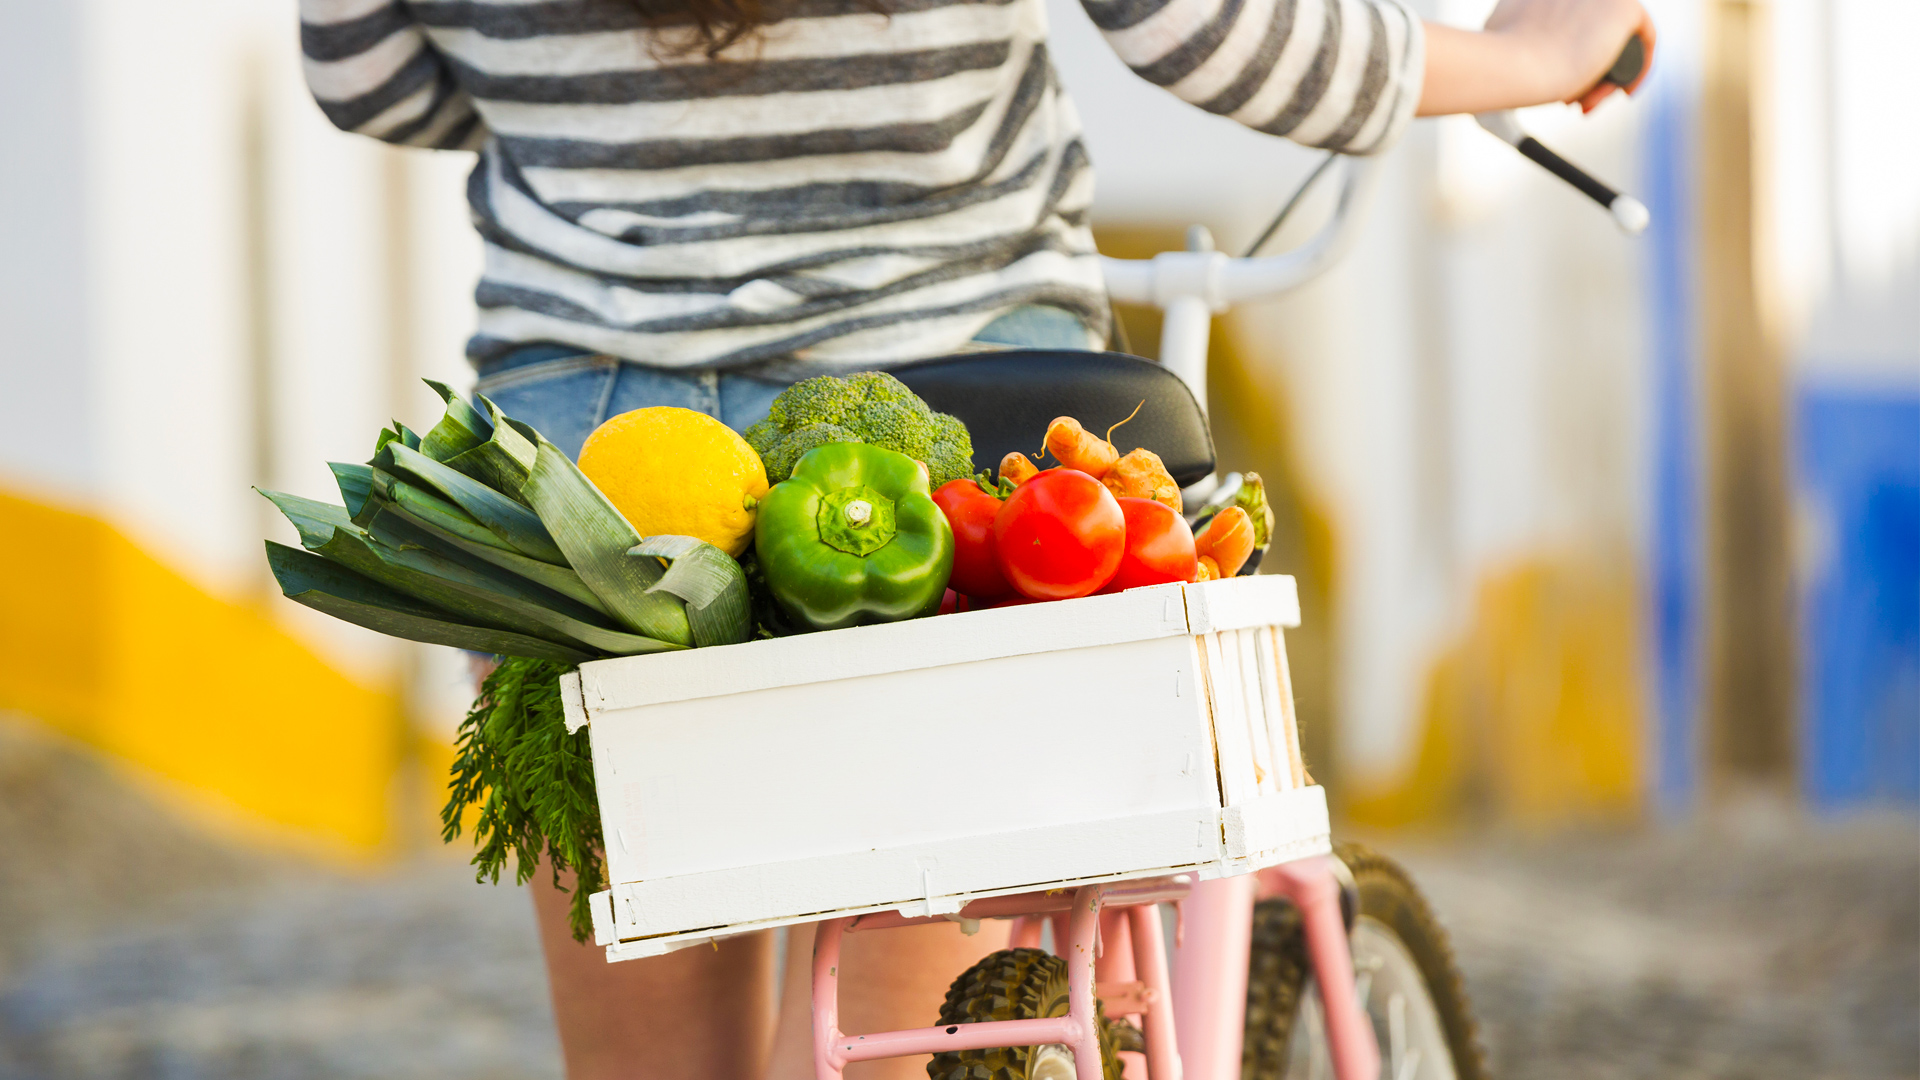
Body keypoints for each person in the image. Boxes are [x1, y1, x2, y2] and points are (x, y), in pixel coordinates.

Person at [298, 0, 1651, 1073]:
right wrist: (1533, 50)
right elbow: (1211, 31)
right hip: (949, 425)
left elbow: (370, 80)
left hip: (588, 476)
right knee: (904, 1033)